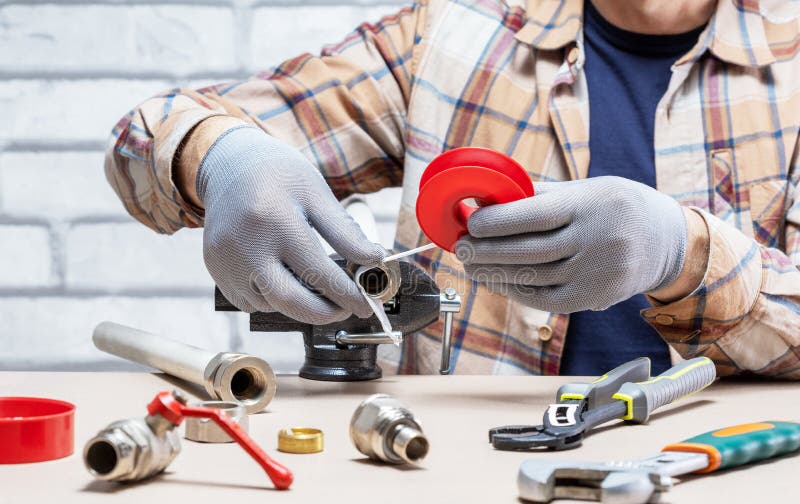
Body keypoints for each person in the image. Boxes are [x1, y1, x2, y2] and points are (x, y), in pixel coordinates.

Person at [105, 0, 800, 378]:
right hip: (458, 488)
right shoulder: (445, 36)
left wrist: (683, 254)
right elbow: (151, 132)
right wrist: (220, 158)